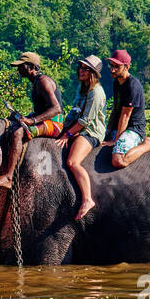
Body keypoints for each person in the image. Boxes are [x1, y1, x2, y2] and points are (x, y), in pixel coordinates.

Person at [0, 51, 64, 190]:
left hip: (54, 123)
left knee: (18, 133)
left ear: (31, 66)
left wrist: (32, 120)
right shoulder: (36, 82)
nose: (19, 69)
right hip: (44, 119)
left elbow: (56, 108)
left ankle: (9, 177)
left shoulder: (43, 81)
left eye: (22, 66)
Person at [102, 49, 150, 168]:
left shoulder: (133, 87)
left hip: (133, 128)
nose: (112, 69)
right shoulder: (117, 82)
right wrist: (108, 130)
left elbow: (125, 116)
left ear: (126, 67)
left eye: (117, 67)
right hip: (120, 126)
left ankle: (148, 144)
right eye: (111, 66)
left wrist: (115, 140)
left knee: (118, 160)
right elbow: (116, 109)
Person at [62, 55, 107, 221]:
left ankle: (88, 199)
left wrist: (68, 134)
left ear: (93, 73)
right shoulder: (82, 88)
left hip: (91, 131)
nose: (81, 70)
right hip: (78, 128)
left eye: (85, 68)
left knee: (72, 162)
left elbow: (85, 120)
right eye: (80, 67)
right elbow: (74, 111)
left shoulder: (96, 92)